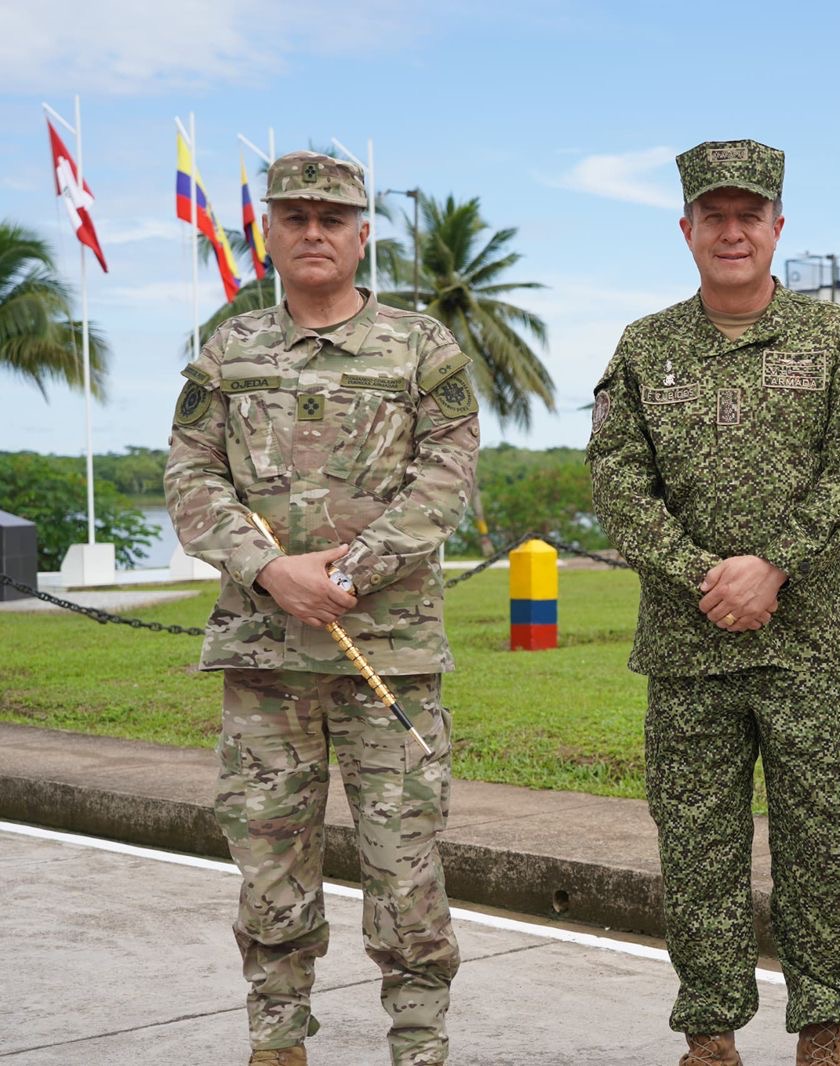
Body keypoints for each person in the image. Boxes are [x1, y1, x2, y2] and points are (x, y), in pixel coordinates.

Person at [164, 151, 479, 1066]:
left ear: (361, 235)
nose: (313, 233)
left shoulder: (424, 348)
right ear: (269, 231)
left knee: (406, 867)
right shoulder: (228, 351)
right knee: (267, 866)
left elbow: (446, 478)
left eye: (331, 219)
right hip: (264, 660)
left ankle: (418, 1047)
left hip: (392, 659)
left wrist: (350, 574)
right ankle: (277, 1042)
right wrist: (271, 571)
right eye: (294, 217)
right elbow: (190, 477)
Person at [586, 139, 840, 1066]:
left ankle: (824, 1035)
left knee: (819, 848)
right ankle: (711, 1036)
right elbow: (616, 480)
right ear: (686, 230)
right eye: (713, 217)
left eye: (748, 216)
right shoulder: (645, 347)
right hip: (688, 652)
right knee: (696, 851)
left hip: (807, 646)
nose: (732, 231)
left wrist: (775, 566)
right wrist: (700, 574)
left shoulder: (835, 338)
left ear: (777, 228)